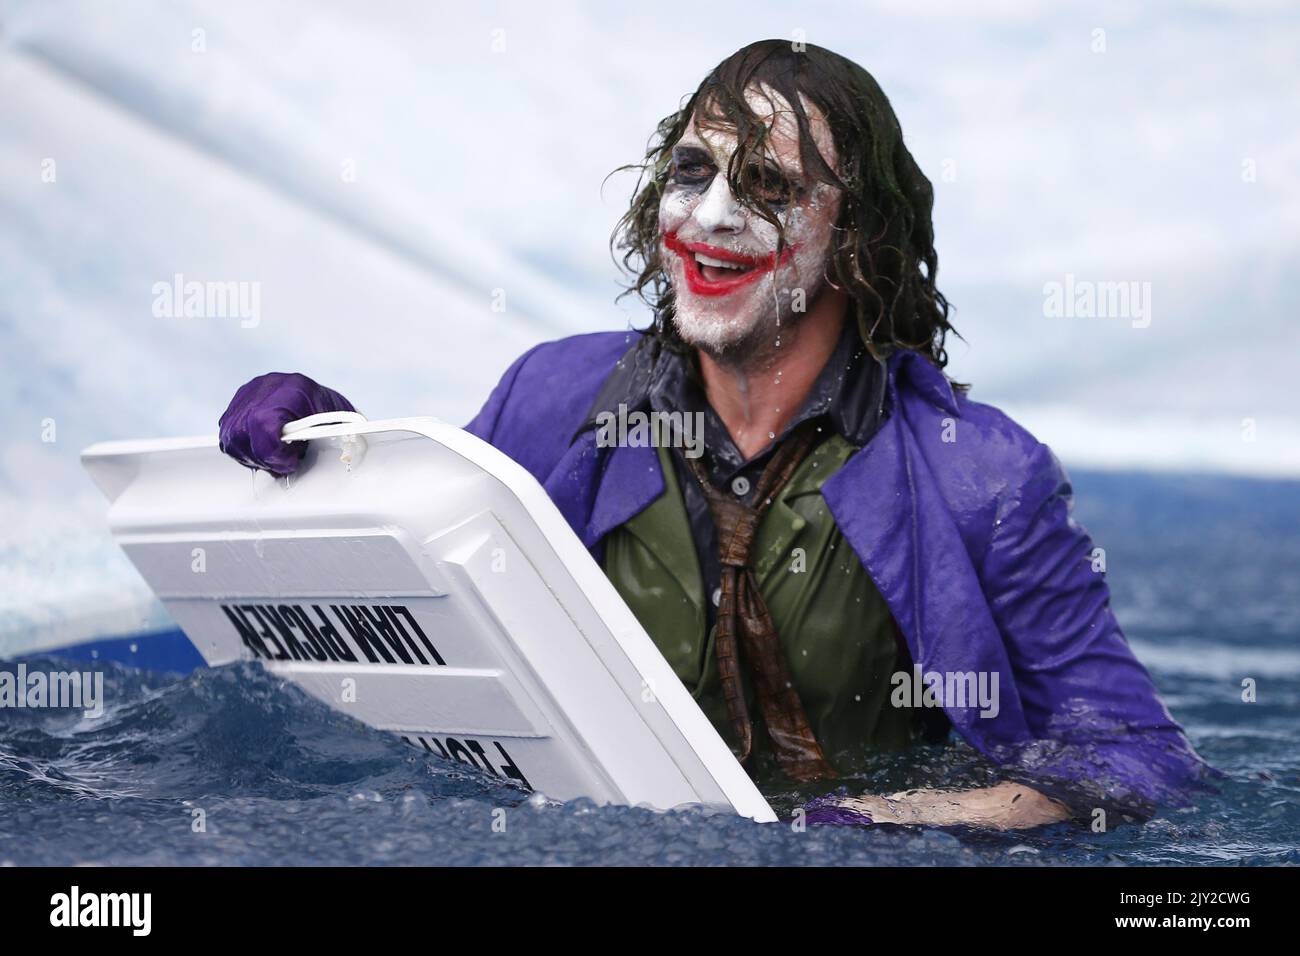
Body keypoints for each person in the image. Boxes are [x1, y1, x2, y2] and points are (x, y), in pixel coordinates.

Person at [219, 40, 1208, 830]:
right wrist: (324, 445)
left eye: (769, 185)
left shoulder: (983, 475)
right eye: (692, 171)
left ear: (855, 236)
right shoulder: (553, 397)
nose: (713, 215)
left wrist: (921, 816)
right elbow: (417, 588)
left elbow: (1137, 752)